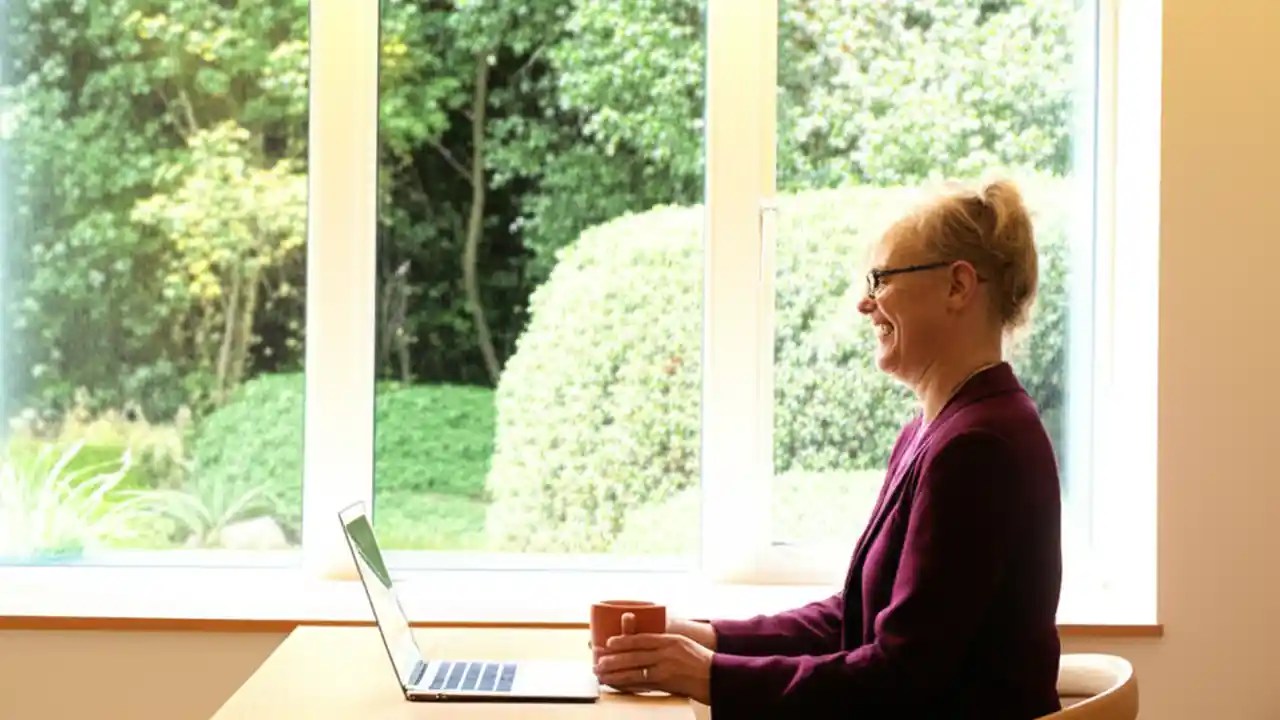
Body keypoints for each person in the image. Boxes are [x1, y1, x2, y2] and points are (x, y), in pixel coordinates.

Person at [594, 178, 1063, 718]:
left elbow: (900, 675)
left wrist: (705, 674)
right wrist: (704, 637)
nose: (865, 303)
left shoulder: (980, 446)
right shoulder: (932, 431)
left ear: (958, 286)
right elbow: (854, 620)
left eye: (882, 279)